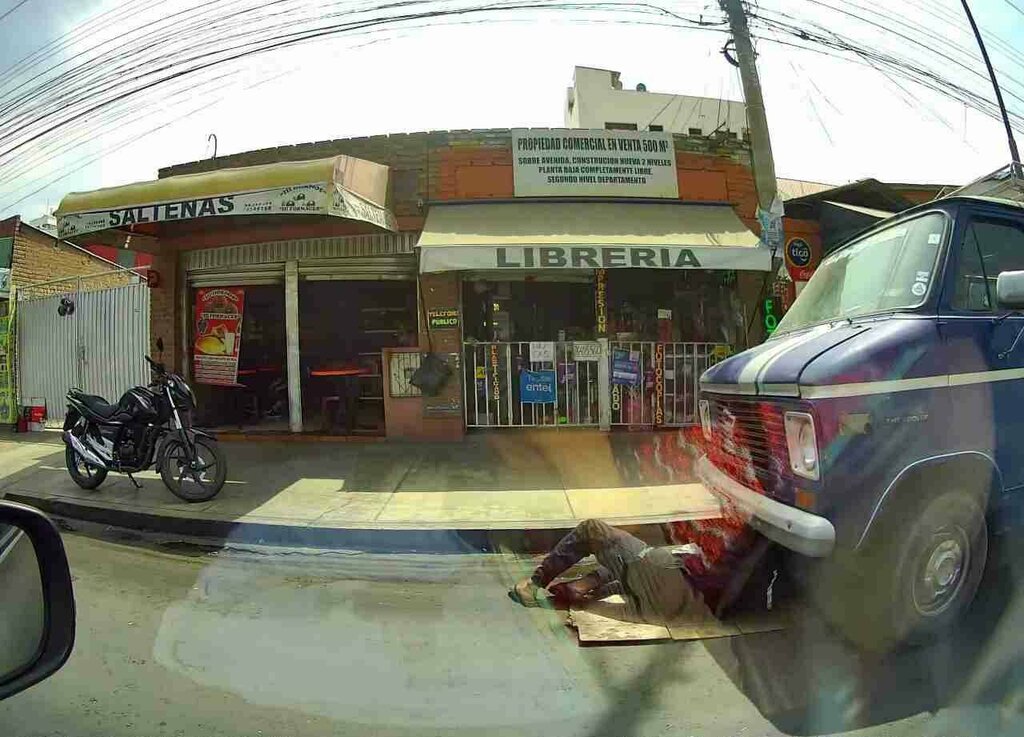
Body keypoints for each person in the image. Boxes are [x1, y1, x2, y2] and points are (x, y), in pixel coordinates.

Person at [508, 518, 708, 625]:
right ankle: (582, 586)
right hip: (678, 603)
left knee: (592, 528)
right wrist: (591, 584)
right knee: (643, 560)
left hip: (676, 583)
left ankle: (533, 584)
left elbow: (647, 568)